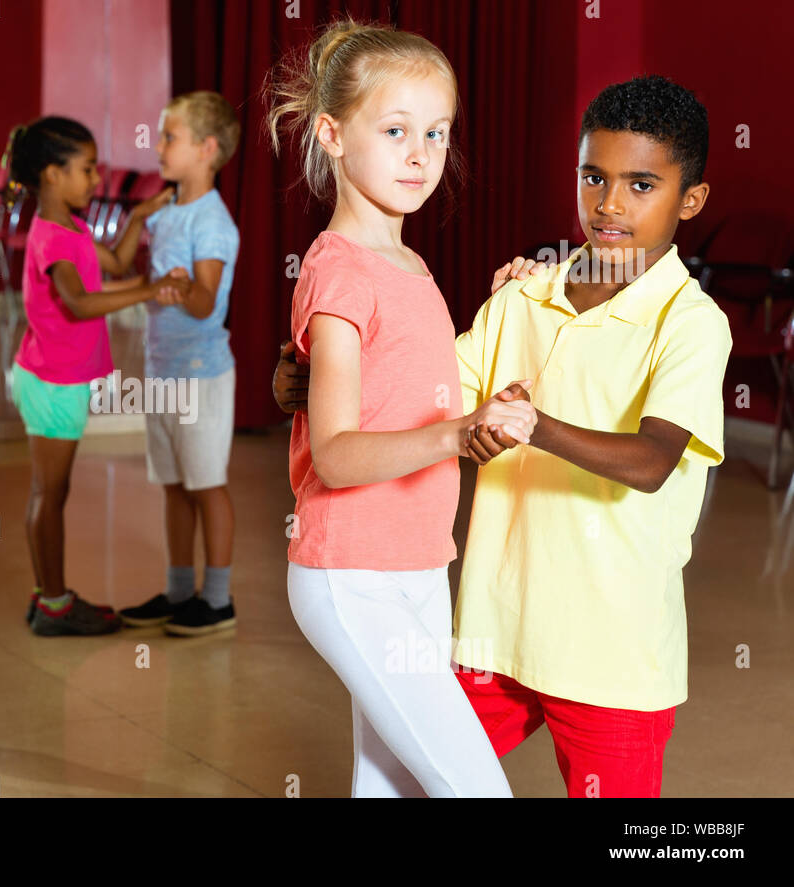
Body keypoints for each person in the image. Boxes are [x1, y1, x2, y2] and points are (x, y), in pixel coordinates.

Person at [274, 75, 732, 798]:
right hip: (496, 633)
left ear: (691, 199)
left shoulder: (691, 322)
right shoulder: (525, 294)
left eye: (642, 184)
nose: (610, 203)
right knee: (407, 783)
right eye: (594, 177)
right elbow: (422, 400)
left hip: (613, 652)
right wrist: (310, 375)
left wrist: (530, 424)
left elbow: (651, 462)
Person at [266, 18, 535, 797]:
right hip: (352, 572)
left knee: (392, 785)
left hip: (420, 562)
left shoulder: (411, 263)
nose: (422, 154)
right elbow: (340, 451)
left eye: (438, 133)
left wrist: (501, 335)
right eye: (395, 130)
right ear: (332, 134)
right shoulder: (341, 273)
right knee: (476, 788)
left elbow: (419, 387)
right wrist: (455, 433)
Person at [3, 116, 188, 636]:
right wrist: (152, 291)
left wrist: (141, 217)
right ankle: (56, 607)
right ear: (51, 174)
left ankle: (48, 595)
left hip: (55, 378)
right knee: (49, 493)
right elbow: (80, 303)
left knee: (49, 492)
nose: (95, 181)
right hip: (53, 382)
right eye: (85, 170)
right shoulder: (55, 239)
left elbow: (119, 262)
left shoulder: (70, 228)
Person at [118, 91, 242, 636]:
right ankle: (177, 591)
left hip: (201, 376)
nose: (159, 146)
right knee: (173, 483)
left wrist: (185, 285)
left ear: (207, 149)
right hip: (163, 370)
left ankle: (217, 601)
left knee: (205, 484)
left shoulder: (211, 222)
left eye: (170, 137)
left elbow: (204, 303)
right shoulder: (166, 212)